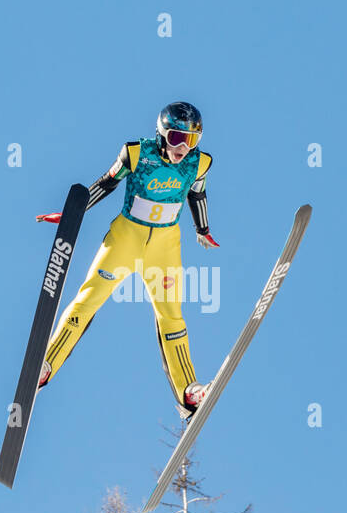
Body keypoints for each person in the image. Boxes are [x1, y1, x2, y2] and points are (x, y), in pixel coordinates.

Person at [34, 101, 218, 417]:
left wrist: (202, 229)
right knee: (89, 298)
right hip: (126, 238)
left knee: (171, 315)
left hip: (164, 245)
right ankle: (46, 364)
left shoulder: (199, 163)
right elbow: (107, 183)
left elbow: (197, 193)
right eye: (176, 138)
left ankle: (188, 392)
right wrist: (72, 215)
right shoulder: (136, 153)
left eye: (191, 141)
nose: (183, 148)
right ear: (161, 134)